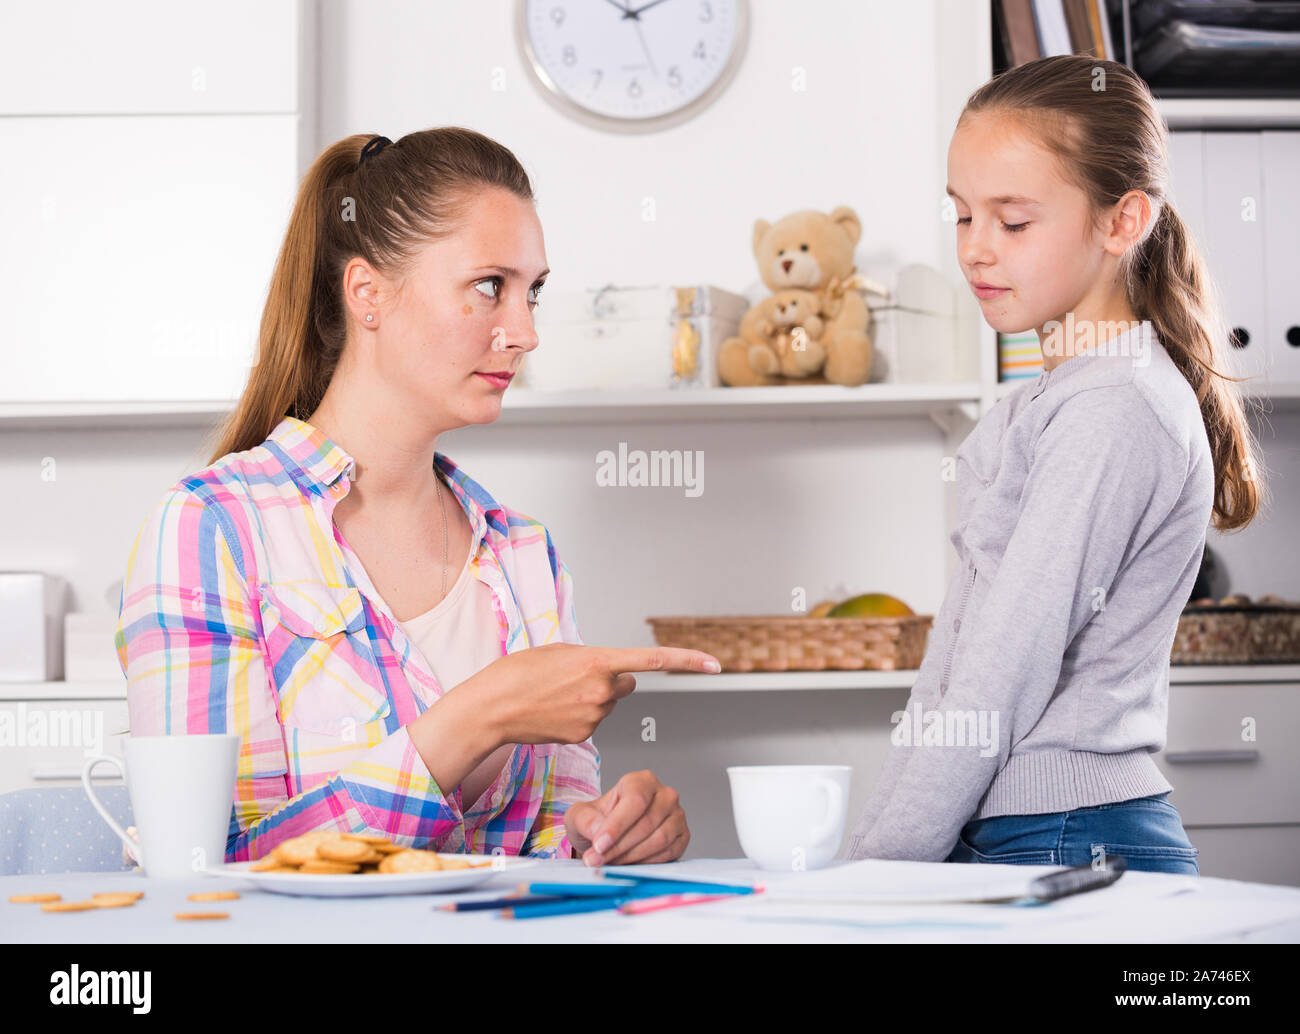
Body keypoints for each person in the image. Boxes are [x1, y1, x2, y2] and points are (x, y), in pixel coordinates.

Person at [115, 127, 721, 867]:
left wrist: (607, 835)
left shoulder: (524, 553)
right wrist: (476, 717)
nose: (525, 331)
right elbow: (205, 867)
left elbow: (550, 838)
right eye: (489, 287)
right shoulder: (210, 531)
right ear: (368, 293)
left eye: (533, 293)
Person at [845, 56, 1267, 874]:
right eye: (962, 216)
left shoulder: (1111, 409)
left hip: (1064, 833)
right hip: (1027, 825)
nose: (975, 250)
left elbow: (1004, 663)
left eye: (1013, 221)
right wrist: (882, 858)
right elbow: (959, 662)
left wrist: (882, 872)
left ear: (1121, 222)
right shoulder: (1056, 400)